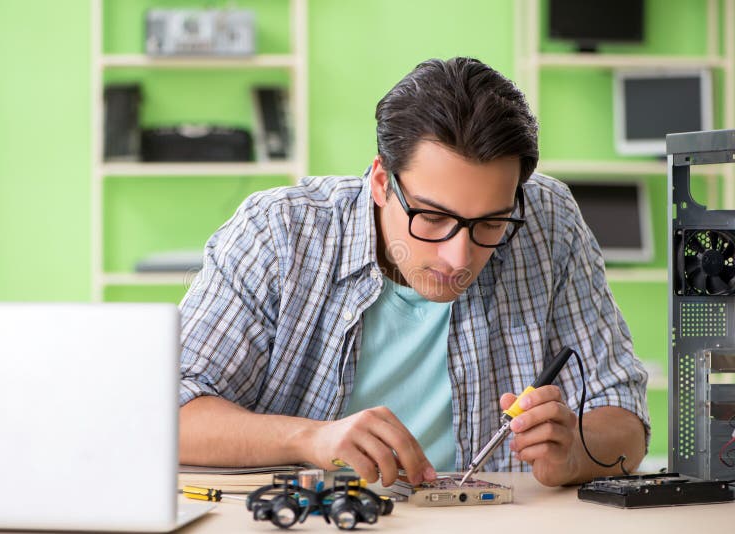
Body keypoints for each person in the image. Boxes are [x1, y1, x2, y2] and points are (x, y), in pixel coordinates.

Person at [177, 57, 649, 488]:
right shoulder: (279, 232)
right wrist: (309, 439)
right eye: (433, 218)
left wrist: (575, 454)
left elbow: (625, 417)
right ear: (382, 182)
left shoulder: (550, 220)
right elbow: (167, 415)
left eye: (491, 222)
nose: (458, 257)